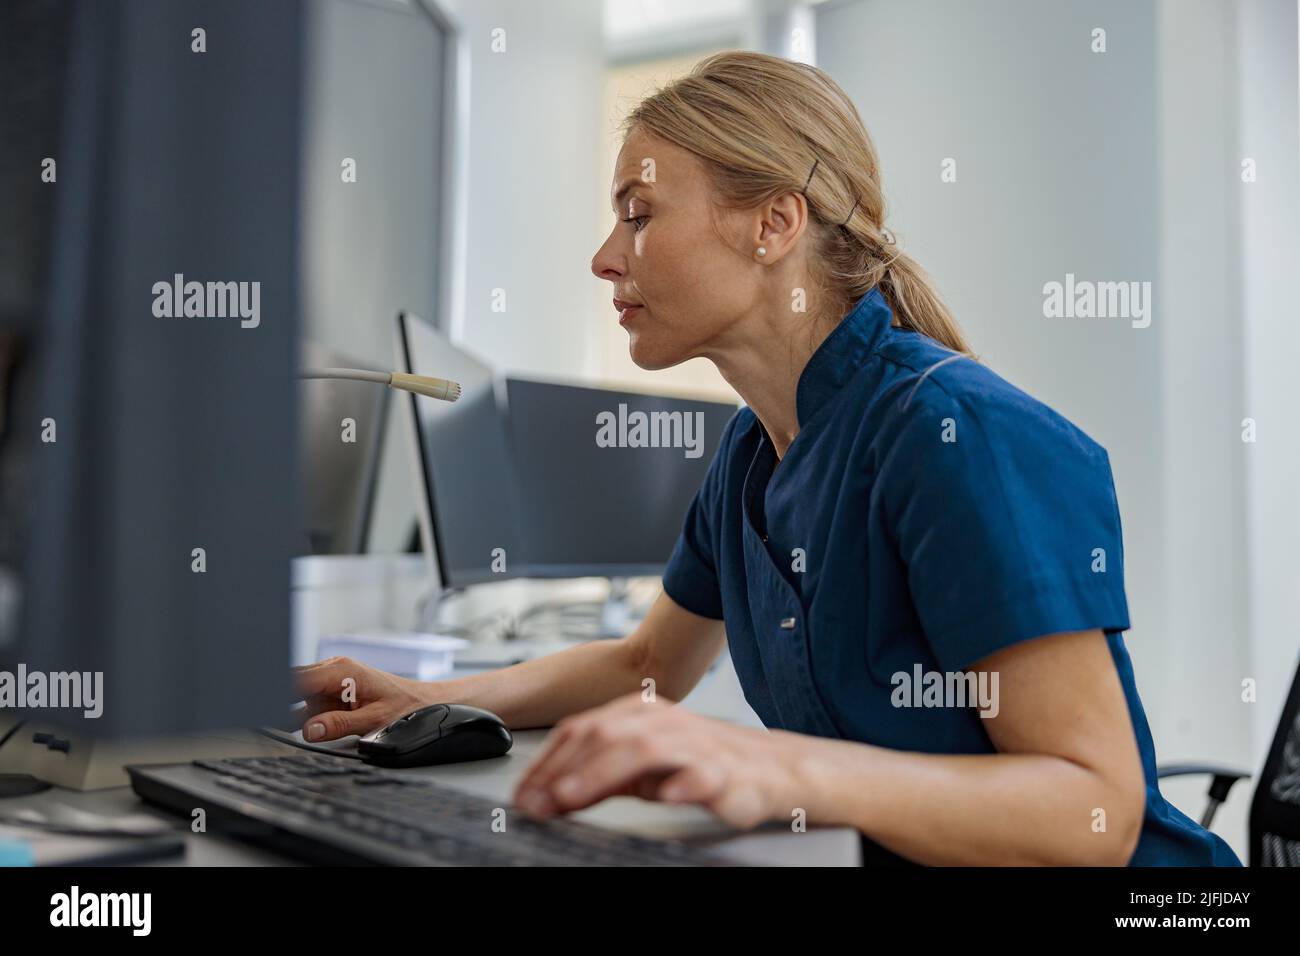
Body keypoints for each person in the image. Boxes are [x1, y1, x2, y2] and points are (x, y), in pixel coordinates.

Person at [294, 51, 1240, 866]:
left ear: (773, 224)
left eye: (638, 212)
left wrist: (780, 767)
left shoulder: (959, 437)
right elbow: (646, 662)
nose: (603, 259)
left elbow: (1097, 818)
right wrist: (427, 698)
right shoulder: (753, 451)